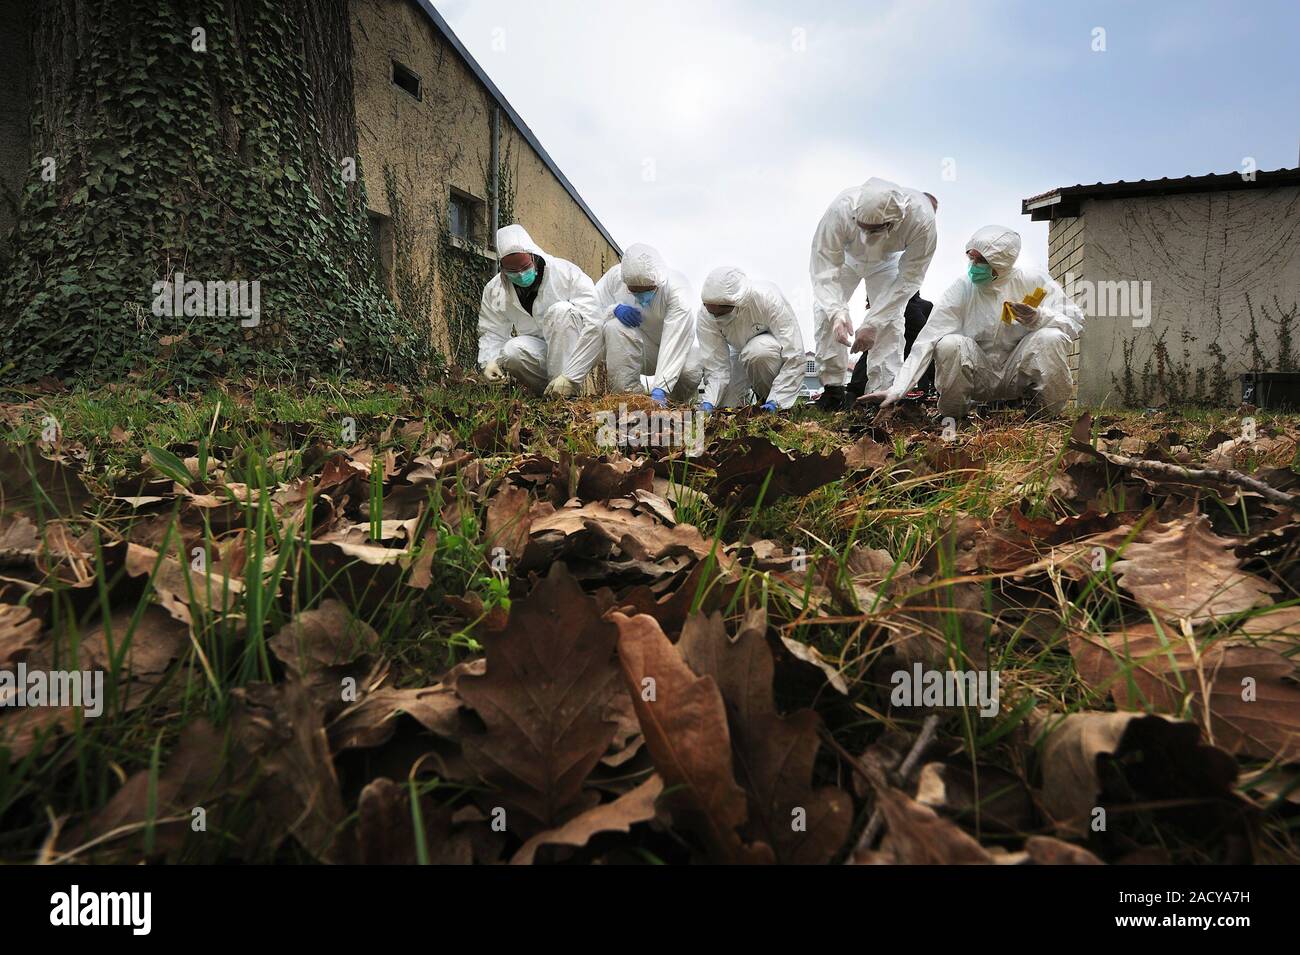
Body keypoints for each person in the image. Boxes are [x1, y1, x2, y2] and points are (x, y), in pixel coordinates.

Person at [864, 225, 1084, 417]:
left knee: (1051, 336)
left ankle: (1044, 415)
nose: (974, 265)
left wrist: (1040, 318)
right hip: (979, 372)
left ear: (1002, 262)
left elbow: (1074, 321)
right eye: (972, 257)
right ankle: (953, 415)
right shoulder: (962, 288)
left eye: (982, 260)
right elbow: (928, 338)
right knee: (949, 344)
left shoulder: (1033, 281)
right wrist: (898, 388)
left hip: (1018, 371)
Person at [810, 178, 938, 408]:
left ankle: (880, 393)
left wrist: (874, 321)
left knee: (891, 321)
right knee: (824, 311)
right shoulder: (841, 209)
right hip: (847, 259)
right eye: (862, 227)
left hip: (888, 262)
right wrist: (836, 311)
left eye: (875, 230)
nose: (867, 236)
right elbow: (824, 265)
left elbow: (910, 277)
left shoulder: (922, 219)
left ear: (894, 221)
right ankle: (833, 389)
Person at [568, 243, 703, 406]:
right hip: (639, 348)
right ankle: (629, 399)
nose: (641, 296)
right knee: (614, 326)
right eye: (634, 290)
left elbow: (674, 340)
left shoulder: (677, 290)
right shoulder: (615, 277)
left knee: (692, 367)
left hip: (673, 349)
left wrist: (660, 388)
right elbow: (589, 310)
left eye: (647, 290)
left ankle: (674, 402)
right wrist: (613, 309)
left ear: (658, 281)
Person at [477, 223, 600, 397]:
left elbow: (594, 324)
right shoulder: (495, 289)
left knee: (561, 311)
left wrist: (571, 375)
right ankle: (550, 394)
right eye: (512, 271)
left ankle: (568, 393)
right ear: (502, 268)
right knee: (512, 351)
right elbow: (492, 330)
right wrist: (489, 361)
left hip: (572, 350)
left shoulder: (566, 273)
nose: (520, 274)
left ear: (533, 256)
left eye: (524, 267)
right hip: (539, 351)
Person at [697, 266, 806, 411]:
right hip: (736, 350)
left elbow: (794, 355)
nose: (716, 316)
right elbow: (716, 366)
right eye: (711, 310)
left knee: (758, 351)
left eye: (722, 311)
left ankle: (768, 400)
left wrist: (777, 400)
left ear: (739, 301)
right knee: (728, 405)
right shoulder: (705, 315)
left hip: (769, 351)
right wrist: (709, 402)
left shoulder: (768, 299)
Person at [847, 291, 934, 401]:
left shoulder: (923, 306)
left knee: (877, 350)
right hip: (893, 306)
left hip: (898, 307)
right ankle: (856, 392)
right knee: (876, 350)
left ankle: (856, 391)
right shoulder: (922, 305)